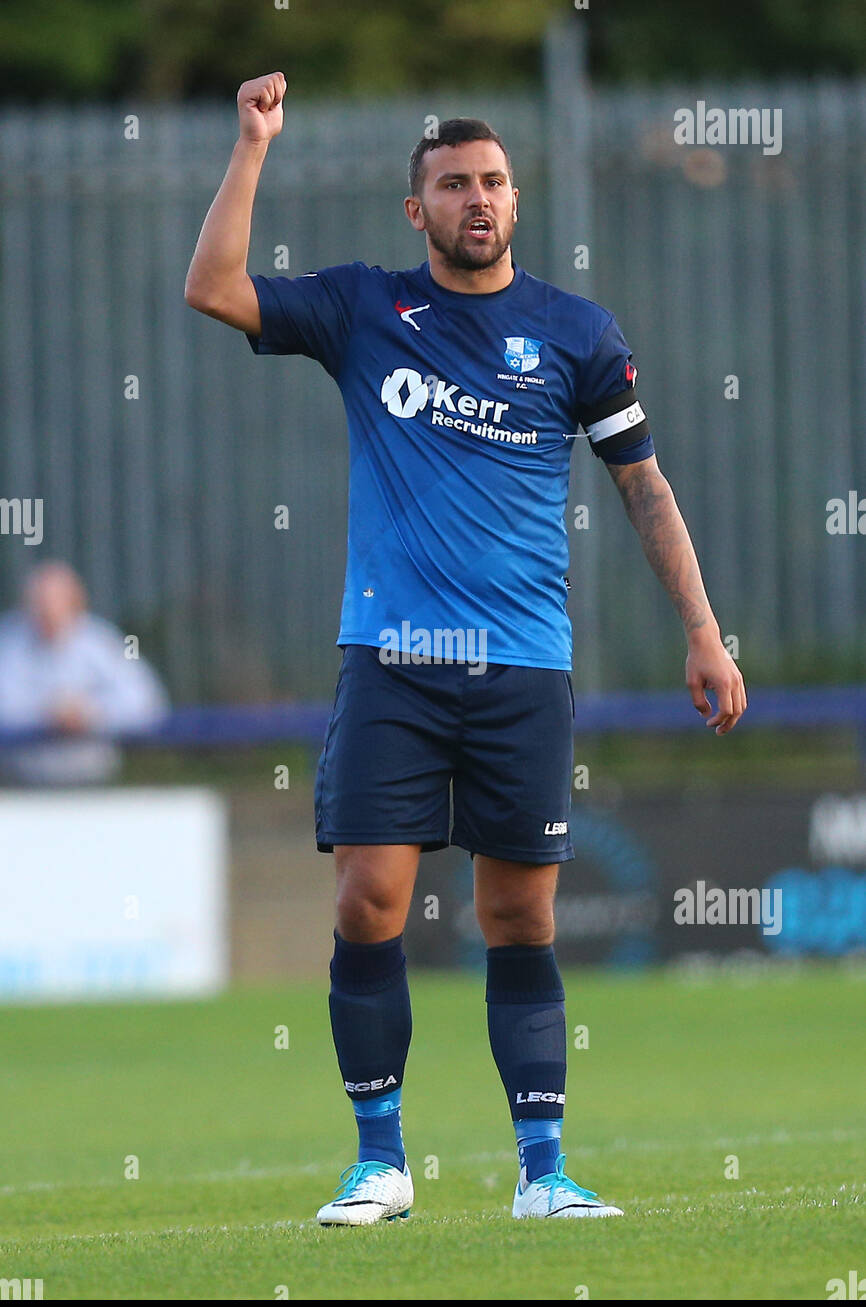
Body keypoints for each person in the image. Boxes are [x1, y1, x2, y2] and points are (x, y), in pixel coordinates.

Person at [185, 74, 747, 1224]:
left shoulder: (577, 334)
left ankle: (541, 1175)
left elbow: (643, 487)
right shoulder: (359, 309)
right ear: (416, 209)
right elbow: (211, 287)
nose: (476, 200)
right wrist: (252, 145)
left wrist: (702, 629)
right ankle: (379, 1162)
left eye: (492, 182)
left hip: (522, 667)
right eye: (452, 185)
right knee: (367, 900)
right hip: (389, 658)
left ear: (516, 199)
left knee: (519, 917)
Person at [0, 562, 168, 785]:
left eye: (55, 602)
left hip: (92, 787)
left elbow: (147, 702)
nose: (46, 612)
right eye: (39, 603)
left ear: (76, 602)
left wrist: (91, 714)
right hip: (20, 786)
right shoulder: (8, 643)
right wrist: (47, 714)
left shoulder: (103, 641)